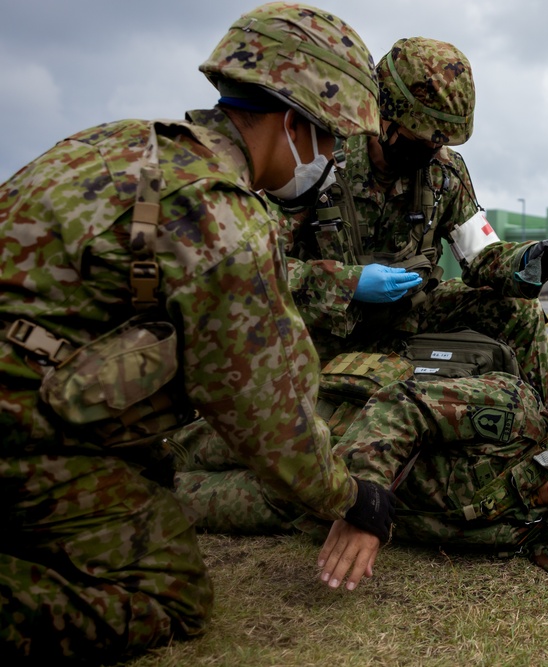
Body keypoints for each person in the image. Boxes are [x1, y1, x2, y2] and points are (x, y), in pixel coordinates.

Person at [0, 4, 396, 661]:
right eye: (329, 140)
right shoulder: (224, 219)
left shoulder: (117, 143)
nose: (328, 160)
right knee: (168, 593)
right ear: (294, 123)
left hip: (36, 395)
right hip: (23, 428)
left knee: (153, 494)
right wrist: (353, 495)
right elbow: (267, 419)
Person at [174, 371, 548, 631]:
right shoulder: (517, 417)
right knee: (175, 444)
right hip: (304, 434)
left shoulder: (537, 530)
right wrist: (366, 502)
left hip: (287, 505)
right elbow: (406, 403)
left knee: (163, 496)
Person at [281, 36, 548, 407]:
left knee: (520, 311)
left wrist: (528, 260)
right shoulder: (319, 160)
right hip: (325, 328)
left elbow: (480, 254)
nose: (431, 152)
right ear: (385, 115)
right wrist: (349, 284)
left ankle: (533, 432)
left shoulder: (444, 172)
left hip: (409, 318)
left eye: (438, 143)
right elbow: (260, 270)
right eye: (421, 139)